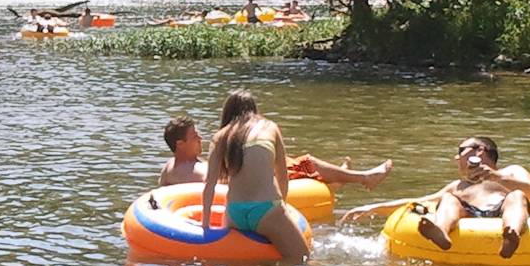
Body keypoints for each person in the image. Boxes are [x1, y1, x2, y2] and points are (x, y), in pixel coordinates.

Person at [339, 136, 530, 259]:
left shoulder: (512, 171)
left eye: (460, 151)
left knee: (516, 195)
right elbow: (422, 201)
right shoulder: (457, 185)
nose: (456, 157)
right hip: (470, 213)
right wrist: (374, 207)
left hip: (503, 209)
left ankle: (511, 235)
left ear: (479, 151)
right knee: (448, 199)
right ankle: (441, 231)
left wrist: (495, 176)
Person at [200, 90, 309, 262]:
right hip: (266, 210)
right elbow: (282, 174)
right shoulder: (269, 127)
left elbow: (209, 185)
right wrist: (283, 207)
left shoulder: (221, 136)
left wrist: (205, 227)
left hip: (234, 214)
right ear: (254, 110)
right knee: (303, 259)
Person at [159, 115, 391, 188]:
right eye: (194, 136)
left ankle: (338, 178)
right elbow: (226, 186)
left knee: (289, 161)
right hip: (255, 186)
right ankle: (364, 178)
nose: (200, 138)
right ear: (180, 144)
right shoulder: (200, 169)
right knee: (306, 162)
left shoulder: (167, 170)